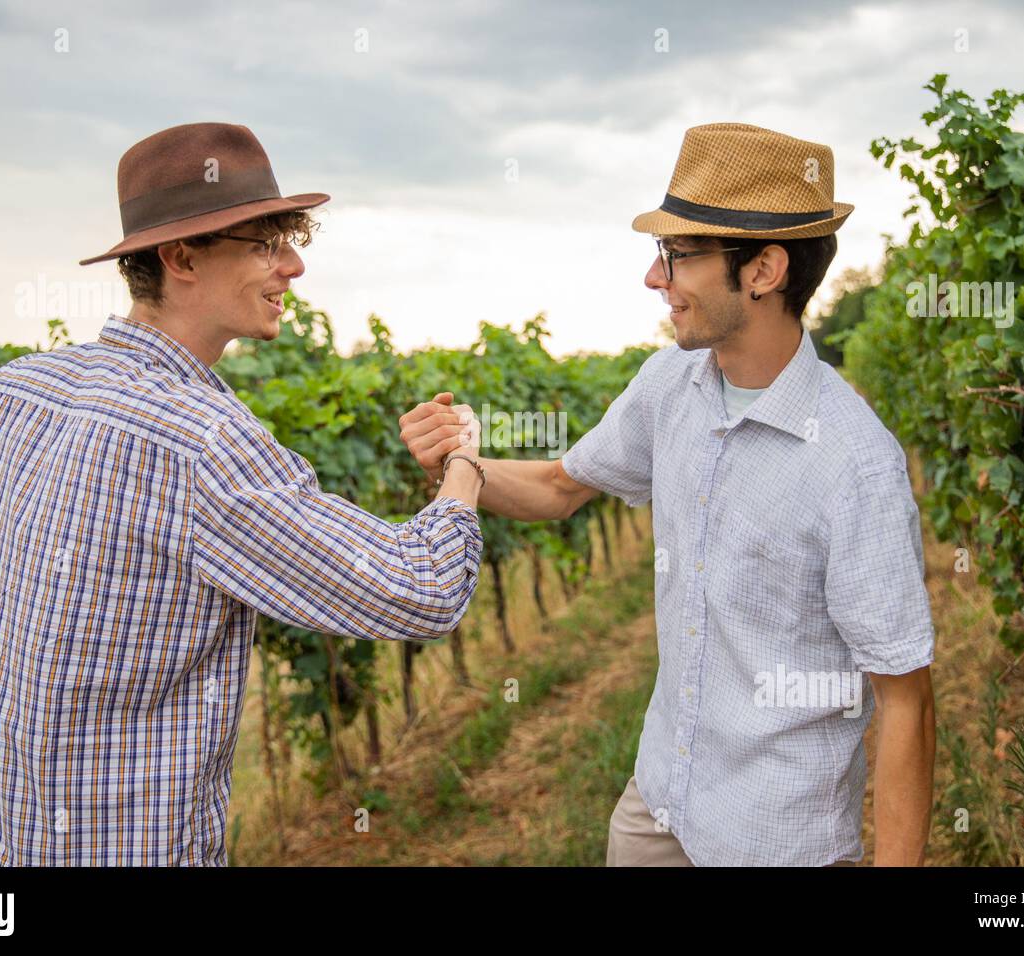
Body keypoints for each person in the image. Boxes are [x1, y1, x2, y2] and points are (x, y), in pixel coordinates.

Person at [0, 122, 486, 866]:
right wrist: (464, 464)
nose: (293, 265)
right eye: (265, 242)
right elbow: (420, 589)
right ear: (181, 256)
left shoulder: (16, 390)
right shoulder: (207, 445)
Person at [399, 123, 936, 866]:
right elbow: (561, 487)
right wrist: (465, 465)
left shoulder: (855, 466)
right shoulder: (668, 386)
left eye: (679, 256)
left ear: (763, 270)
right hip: (659, 806)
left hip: (773, 838)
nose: (657, 279)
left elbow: (905, 698)